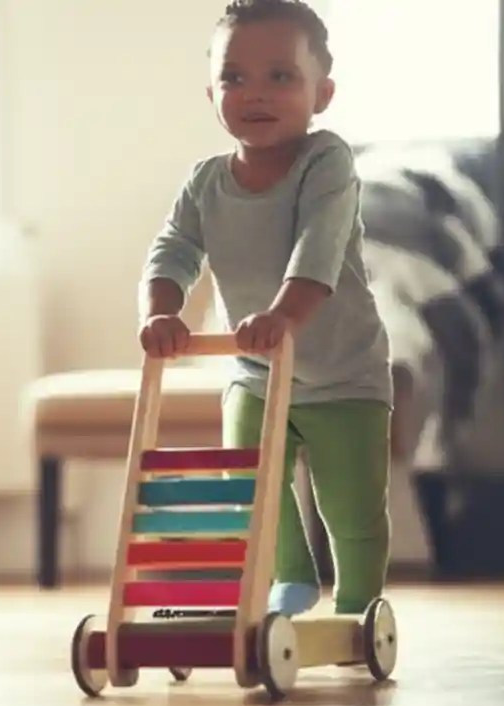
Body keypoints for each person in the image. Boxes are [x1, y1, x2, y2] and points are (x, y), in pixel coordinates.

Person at [138, 0, 392, 616]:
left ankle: (359, 610)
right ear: (211, 93)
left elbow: (319, 246)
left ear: (322, 93)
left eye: (281, 76)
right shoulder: (205, 182)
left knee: (351, 508)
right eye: (234, 77)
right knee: (248, 486)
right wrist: (161, 312)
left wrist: (282, 316)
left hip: (343, 374)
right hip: (255, 370)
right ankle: (292, 580)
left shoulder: (326, 162)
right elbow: (172, 250)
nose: (255, 92)